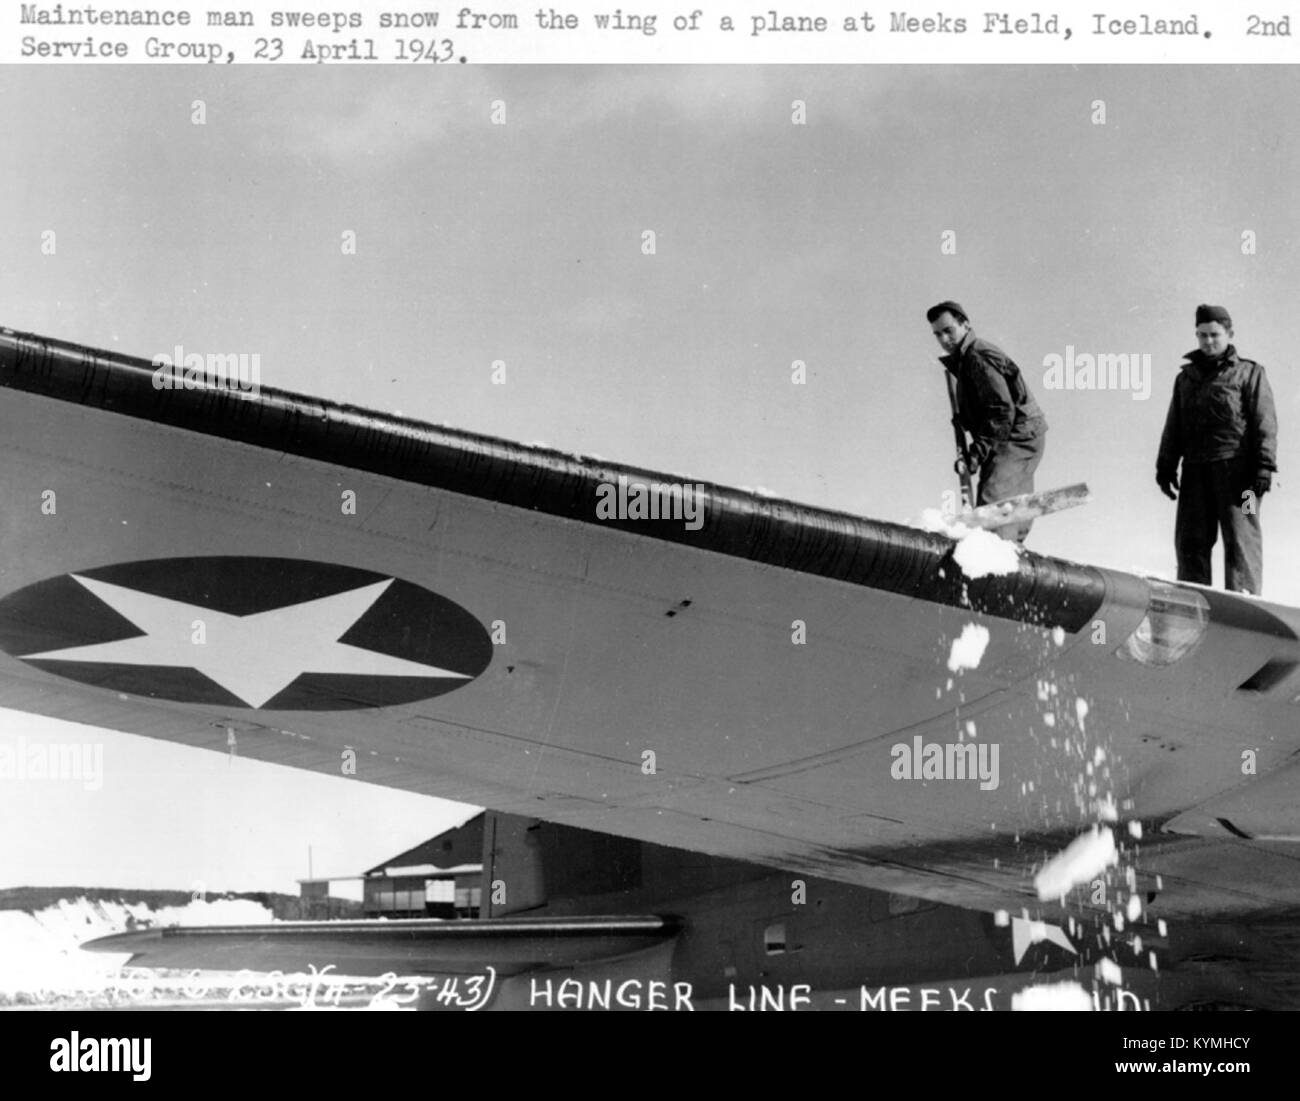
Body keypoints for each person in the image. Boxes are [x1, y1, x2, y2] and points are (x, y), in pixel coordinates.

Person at [1156, 304, 1277, 595]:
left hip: (1241, 475)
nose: (1207, 341)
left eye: (1214, 334)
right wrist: (1166, 466)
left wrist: (1264, 465)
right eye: (1201, 335)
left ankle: (1245, 604)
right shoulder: (1185, 379)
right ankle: (1193, 603)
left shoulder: (1249, 373)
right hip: (1196, 472)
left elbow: (1265, 421)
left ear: (1229, 334)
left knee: (1242, 536)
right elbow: (1175, 425)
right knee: (1190, 542)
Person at [927, 301, 1049, 543]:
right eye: (937, 334)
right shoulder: (966, 360)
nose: (943, 339)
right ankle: (1012, 558)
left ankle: (994, 562)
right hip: (1015, 434)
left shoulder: (978, 356)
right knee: (1012, 511)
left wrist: (976, 454)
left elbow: (1001, 411)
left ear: (965, 324)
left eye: (948, 330)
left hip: (1016, 436)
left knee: (992, 507)